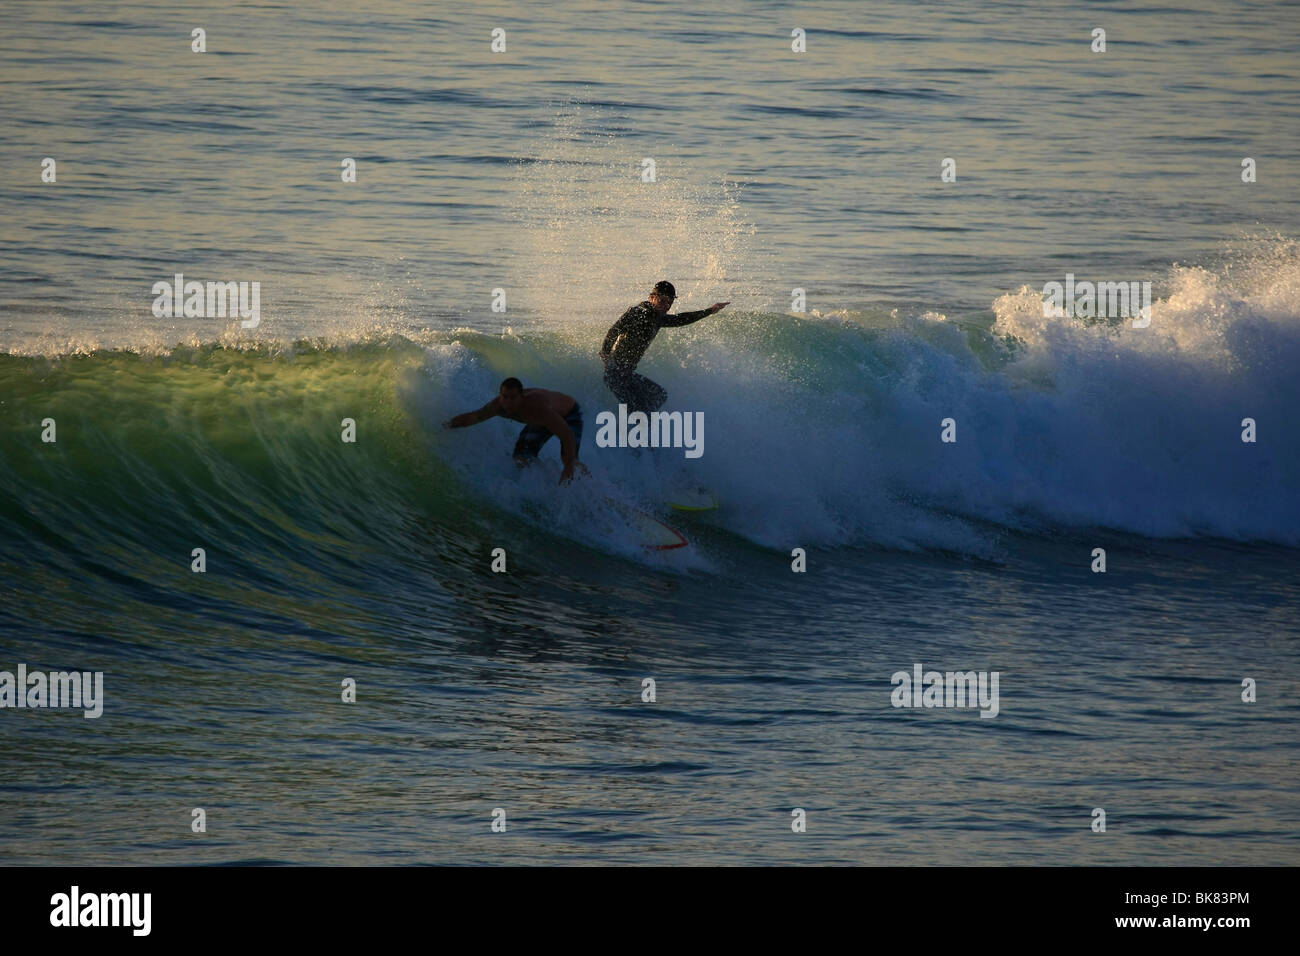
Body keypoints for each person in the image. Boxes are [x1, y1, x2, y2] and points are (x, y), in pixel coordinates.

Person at [600, 280, 729, 413]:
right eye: (662, 301)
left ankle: (627, 426)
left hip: (626, 376)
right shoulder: (638, 312)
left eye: (669, 303)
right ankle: (627, 428)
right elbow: (614, 330)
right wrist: (605, 353)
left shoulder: (658, 318)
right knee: (642, 412)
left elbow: (682, 318)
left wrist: (710, 310)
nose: (666, 306)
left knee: (659, 396)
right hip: (616, 376)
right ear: (652, 297)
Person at [445, 378, 587, 484]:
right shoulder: (497, 406)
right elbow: (473, 417)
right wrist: (448, 425)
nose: (508, 402)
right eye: (505, 397)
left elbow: (567, 435)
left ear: (521, 397)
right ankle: (542, 484)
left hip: (569, 413)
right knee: (521, 457)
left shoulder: (537, 409)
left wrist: (568, 466)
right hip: (542, 419)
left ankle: (589, 483)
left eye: (513, 398)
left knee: (569, 459)